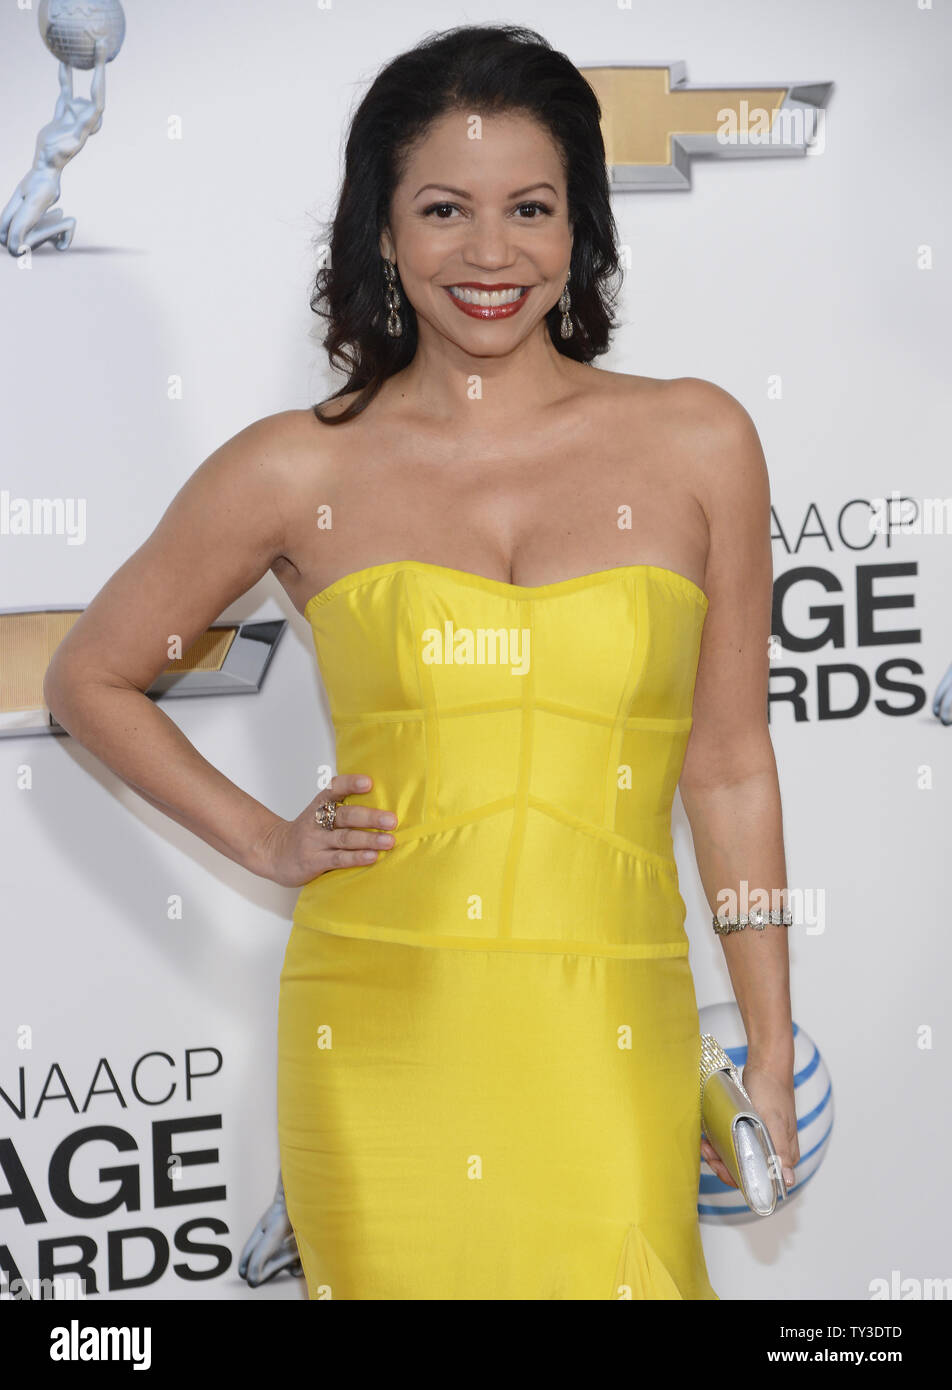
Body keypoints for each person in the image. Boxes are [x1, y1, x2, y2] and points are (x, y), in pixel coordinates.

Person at [44, 23, 799, 1300]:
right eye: (444, 209)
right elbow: (89, 678)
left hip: (607, 1018)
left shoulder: (696, 441)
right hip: (382, 1017)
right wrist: (271, 842)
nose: (490, 254)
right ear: (382, 234)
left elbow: (727, 768)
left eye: (531, 208)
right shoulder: (298, 466)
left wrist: (769, 1042)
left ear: (580, 229)